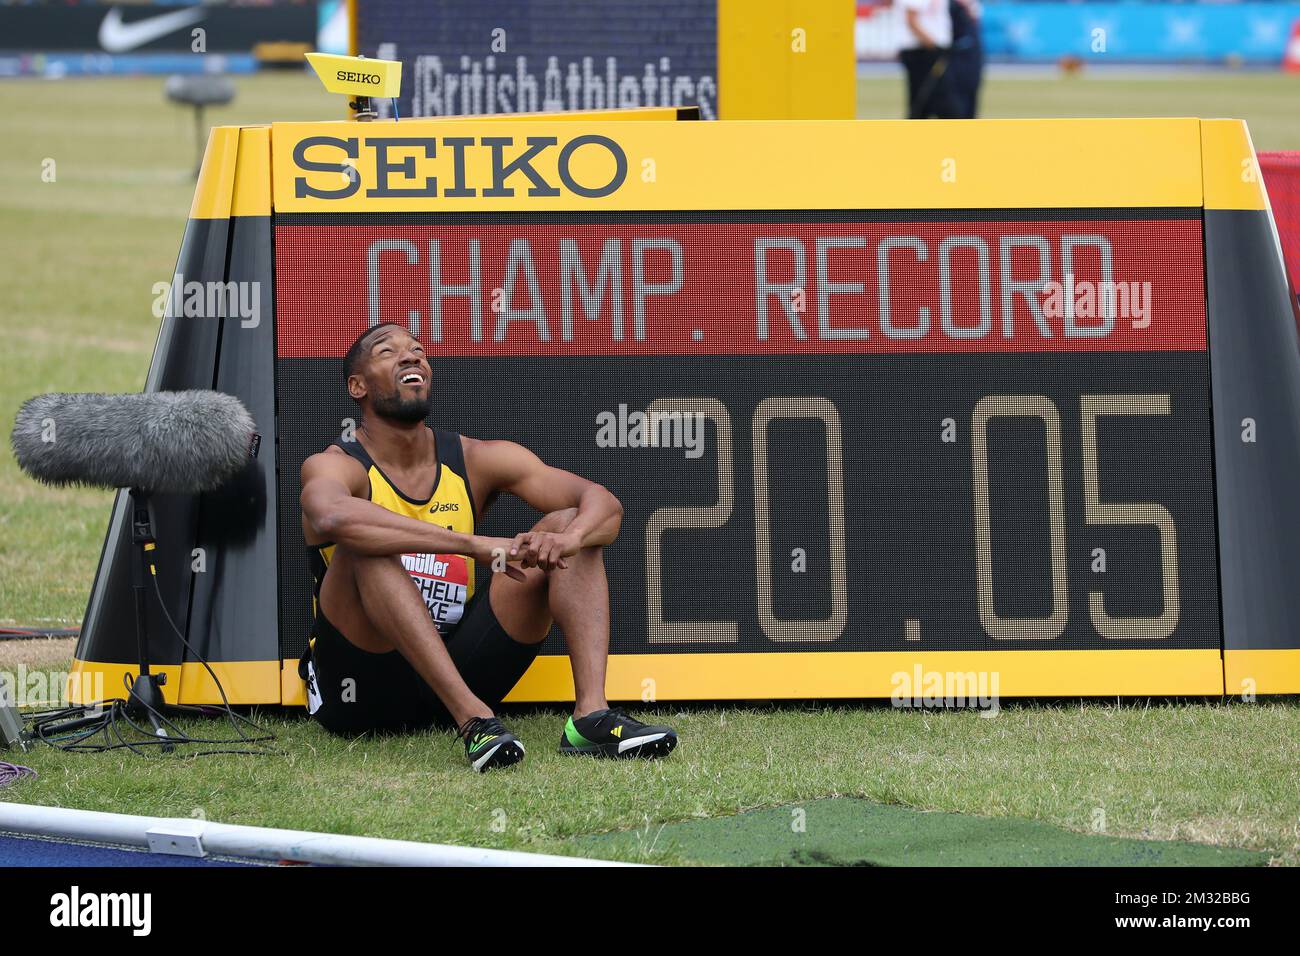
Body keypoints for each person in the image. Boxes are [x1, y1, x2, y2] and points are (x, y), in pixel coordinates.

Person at [297, 322, 679, 771]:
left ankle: (590, 718)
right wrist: (473, 545)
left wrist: (570, 540)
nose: (411, 356)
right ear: (356, 386)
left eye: (418, 350)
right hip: (363, 690)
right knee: (366, 543)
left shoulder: (476, 458)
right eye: (388, 351)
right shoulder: (334, 464)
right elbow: (331, 517)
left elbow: (603, 506)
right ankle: (473, 720)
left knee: (570, 524)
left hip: (464, 665)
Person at [896, 0, 961, 119]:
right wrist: (934, 46)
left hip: (929, 50)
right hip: (922, 52)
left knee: (927, 103)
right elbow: (911, 20)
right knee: (926, 102)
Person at [948, 0, 984, 119]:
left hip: (972, 55)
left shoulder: (973, 6)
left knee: (971, 97)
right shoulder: (951, 7)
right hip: (956, 56)